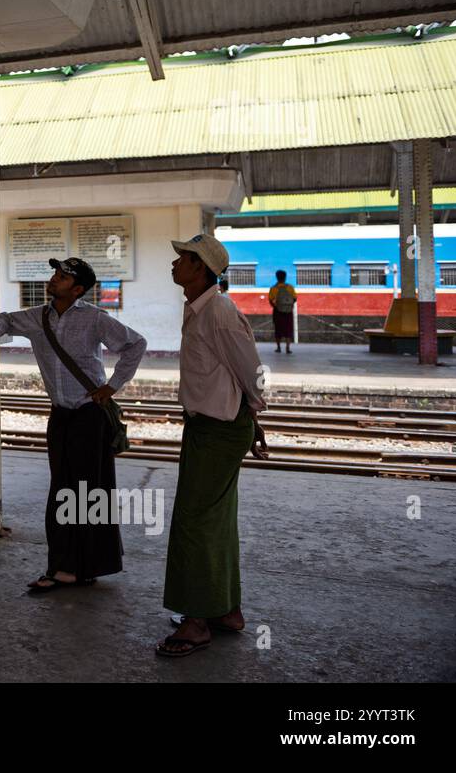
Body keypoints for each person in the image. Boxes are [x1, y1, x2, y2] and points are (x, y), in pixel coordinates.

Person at [0, 257, 147, 594]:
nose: (54, 279)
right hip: (61, 417)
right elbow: (7, 319)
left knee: (87, 492)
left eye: (62, 277)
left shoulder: (95, 319)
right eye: (55, 273)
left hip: (89, 416)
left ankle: (75, 567)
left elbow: (135, 344)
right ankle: (71, 566)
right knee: (64, 491)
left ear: (78, 289)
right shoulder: (38, 317)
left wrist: (112, 386)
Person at [157, 234, 269, 658]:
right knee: (216, 522)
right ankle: (225, 611)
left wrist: (250, 415)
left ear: (201, 269)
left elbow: (252, 373)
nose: (175, 263)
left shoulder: (218, 313)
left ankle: (197, 622)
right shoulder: (199, 308)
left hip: (217, 431)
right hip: (211, 426)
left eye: (183, 258)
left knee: (194, 522)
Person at [267, 270, 297, 354]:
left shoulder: (274, 288)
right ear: (285, 277)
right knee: (288, 329)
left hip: (278, 311)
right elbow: (294, 298)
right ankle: (288, 348)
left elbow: (270, 300)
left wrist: (276, 307)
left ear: (277, 277)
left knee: (278, 329)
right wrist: (289, 306)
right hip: (288, 311)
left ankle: (278, 347)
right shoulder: (290, 287)